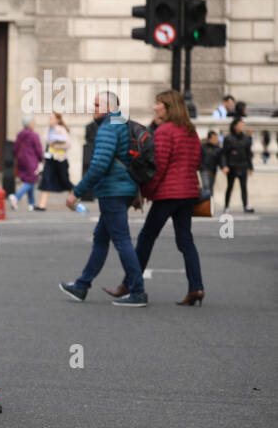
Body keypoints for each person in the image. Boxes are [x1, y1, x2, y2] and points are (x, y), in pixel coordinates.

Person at [104, 90, 204, 306]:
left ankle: (130, 284)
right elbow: (197, 162)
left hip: (168, 193)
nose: (154, 107)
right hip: (188, 193)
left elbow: (157, 167)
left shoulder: (165, 131)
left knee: (146, 237)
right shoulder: (190, 131)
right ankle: (196, 287)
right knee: (186, 241)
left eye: (158, 103)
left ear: (168, 107)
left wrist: (144, 193)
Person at [59, 91, 146, 306]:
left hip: (113, 191)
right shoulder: (121, 123)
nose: (93, 108)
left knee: (121, 240)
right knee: (101, 238)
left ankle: (138, 291)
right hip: (120, 189)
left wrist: (76, 192)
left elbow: (99, 165)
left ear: (109, 108)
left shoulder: (109, 127)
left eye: (97, 105)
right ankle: (82, 285)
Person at [36, 110, 71, 210]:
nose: (50, 120)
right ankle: (42, 205)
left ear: (57, 120)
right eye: (49, 118)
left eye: (52, 118)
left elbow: (68, 144)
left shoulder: (61, 129)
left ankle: (75, 198)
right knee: (45, 180)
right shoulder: (47, 129)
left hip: (60, 159)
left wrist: (56, 144)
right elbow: (44, 143)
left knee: (65, 181)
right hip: (49, 159)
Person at [9, 113, 44, 210]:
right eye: (33, 122)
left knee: (30, 180)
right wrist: (41, 159)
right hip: (31, 161)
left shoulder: (20, 134)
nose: (34, 123)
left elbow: (15, 148)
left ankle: (31, 204)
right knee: (31, 180)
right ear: (30, 124)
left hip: (21, 161)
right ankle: (16, 197)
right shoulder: (34, 135)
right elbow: (38, 149)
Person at [220, 115, 254, 213]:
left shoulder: (246, 138)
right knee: (230, 187)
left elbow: (248, 153)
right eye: (240, 124)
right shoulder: (229, 138)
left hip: (243, 165)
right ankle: (226, 206)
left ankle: (245, 205)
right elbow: (224, 154)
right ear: (235, 126)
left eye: (243, 124)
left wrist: (250, 167)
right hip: (232, 166)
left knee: (244, 187)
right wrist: (224, 166)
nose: (242, 126)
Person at [200, 130, 221, 197]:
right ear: (209, 139)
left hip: (213, 170)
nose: (216, 140)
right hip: (204, 169)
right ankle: (206, 204)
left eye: (216, 138)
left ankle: (210, 205)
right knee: (206, 186)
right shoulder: (203, 147)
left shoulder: (218, 149)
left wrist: (223, 166)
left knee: (210, 187)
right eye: (214, 138)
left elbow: (221, 159)